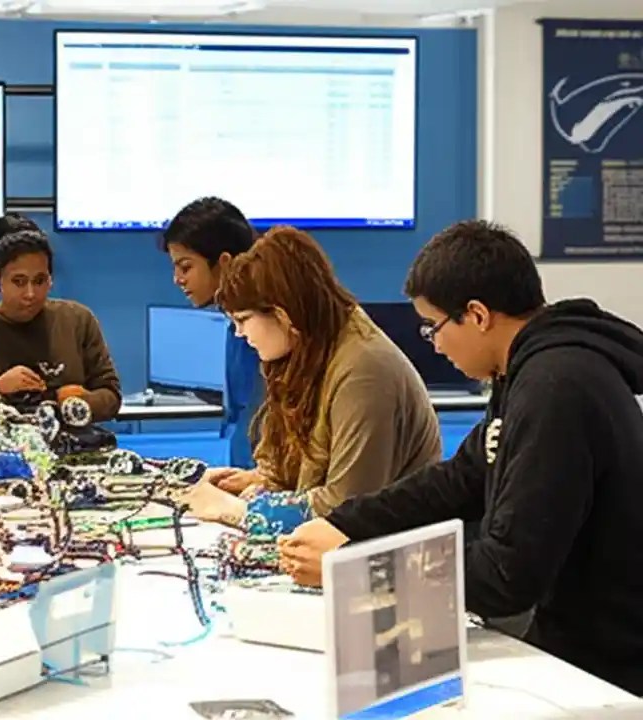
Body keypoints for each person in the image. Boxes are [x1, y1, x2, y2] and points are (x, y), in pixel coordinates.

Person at [280, 219, 643, 696]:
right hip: (573, 643)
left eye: (433, 327)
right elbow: (461, 480)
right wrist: (344, 523)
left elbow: (507, 575)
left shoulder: (557, 388)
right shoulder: (524, 371)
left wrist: (354, 567)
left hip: (605, 669)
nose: (434, 343)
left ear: (476, 315)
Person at [183, 225, 440, 541]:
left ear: (282, 315)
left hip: (386, 556)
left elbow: (348, 507)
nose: (240, 334)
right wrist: (257, 481)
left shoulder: (364, 371)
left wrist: (238, 511)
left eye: (243, 320)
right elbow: (299, 469)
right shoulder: (306, 350)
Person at [0, 214, 122, 421]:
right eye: (18, 282)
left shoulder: (78, 321)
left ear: (51, 279)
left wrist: (80, 402)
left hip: (74, 448)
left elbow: (111, 395)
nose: (30, 293)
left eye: (39, 281)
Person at [160, 197, 264, 468]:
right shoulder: (235, 322)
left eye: (186, 267)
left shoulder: (265, 327)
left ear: (225, 262)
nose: (177, 279)